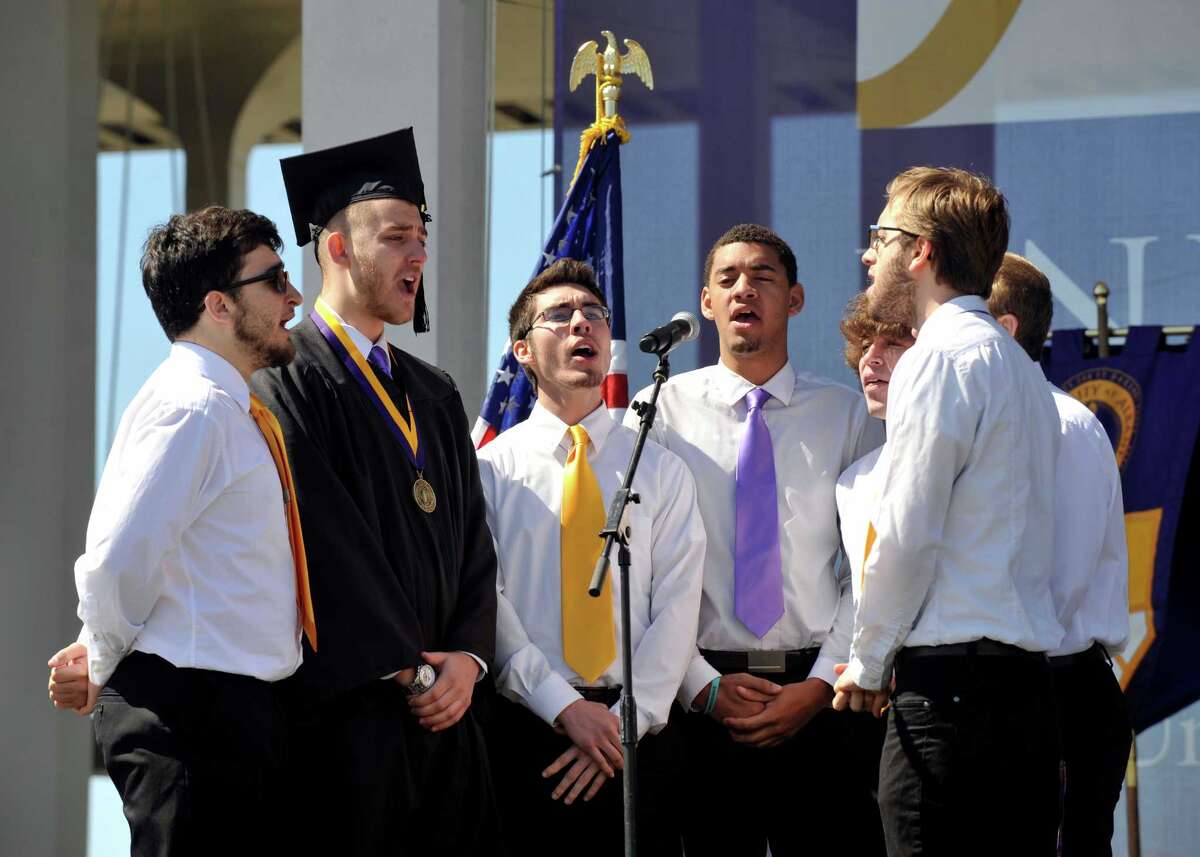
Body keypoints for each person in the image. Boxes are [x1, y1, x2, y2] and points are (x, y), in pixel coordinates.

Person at [251, 127, 499, 855]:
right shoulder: (283, 377)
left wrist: (468, 658)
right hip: (347, 724)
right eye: (395, 238)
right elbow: (325, 541)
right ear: (336, 247)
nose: (418, 255)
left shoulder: (435, 391)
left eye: (422, 238)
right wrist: (411, 668)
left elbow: (474, 544)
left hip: (450, 722)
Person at [46, 205, 309, 856]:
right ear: (219, 306)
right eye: (274, 280)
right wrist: (100, 655)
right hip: (193, 718)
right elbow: (119, 558)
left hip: (236, 718)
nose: (294, 296)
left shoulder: (227, 408)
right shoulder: (194, 407)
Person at [626, 223, 883, 857]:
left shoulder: (849, 415)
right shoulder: (658, 412)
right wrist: (701, 686)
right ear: (707, 303)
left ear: (794, 299)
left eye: (763, 277)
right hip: (701, 700)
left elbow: (868, 568)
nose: (744, 289)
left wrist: (819, 686)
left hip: (821, 698)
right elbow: (641, 573)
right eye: (728, 279)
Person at [833, 167, 1064, 857]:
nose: (869, 255)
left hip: (949, 700)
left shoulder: (939, 359)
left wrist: (867, 662)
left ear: (922, 251)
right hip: (1025, 697)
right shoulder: (1022, 371)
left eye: (880, 238)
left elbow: (906, 531)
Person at [477, 258, 704, 855]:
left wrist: (624, 723)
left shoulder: (659, 468)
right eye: (560, 315)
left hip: (641, 738)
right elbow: (487, 604)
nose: (583, 324)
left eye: (594, 314)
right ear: (523, 352)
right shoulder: (490, 471)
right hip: (531, 730)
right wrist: (565, 709)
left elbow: (678, 607)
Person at [989, 251, 1131, 856]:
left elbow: (1060, 583)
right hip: (1018, 689)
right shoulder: (995, 422)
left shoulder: (1059, 424)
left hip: (1056, 692)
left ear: (1003, 330)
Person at [832, 291, 915, 826]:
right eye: (865, 346)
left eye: (892, 344)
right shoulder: (851, 481)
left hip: (932, 687)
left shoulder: (959, 462)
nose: (871, 359)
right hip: (862, 699)